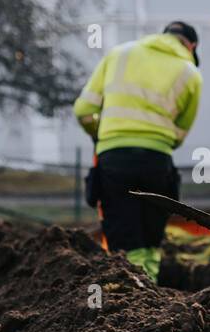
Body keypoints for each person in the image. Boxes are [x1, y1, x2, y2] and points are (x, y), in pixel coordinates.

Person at [73, 21, 202, 282]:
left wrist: (103, 135)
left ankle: (128, 290)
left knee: (121, 228)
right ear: (192, 46)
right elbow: (180, 134)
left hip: (114, 157)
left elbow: (83, 111)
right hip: (156, 160)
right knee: (150, 231)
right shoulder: (191, 73)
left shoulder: (118, 54)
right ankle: (148, 290)